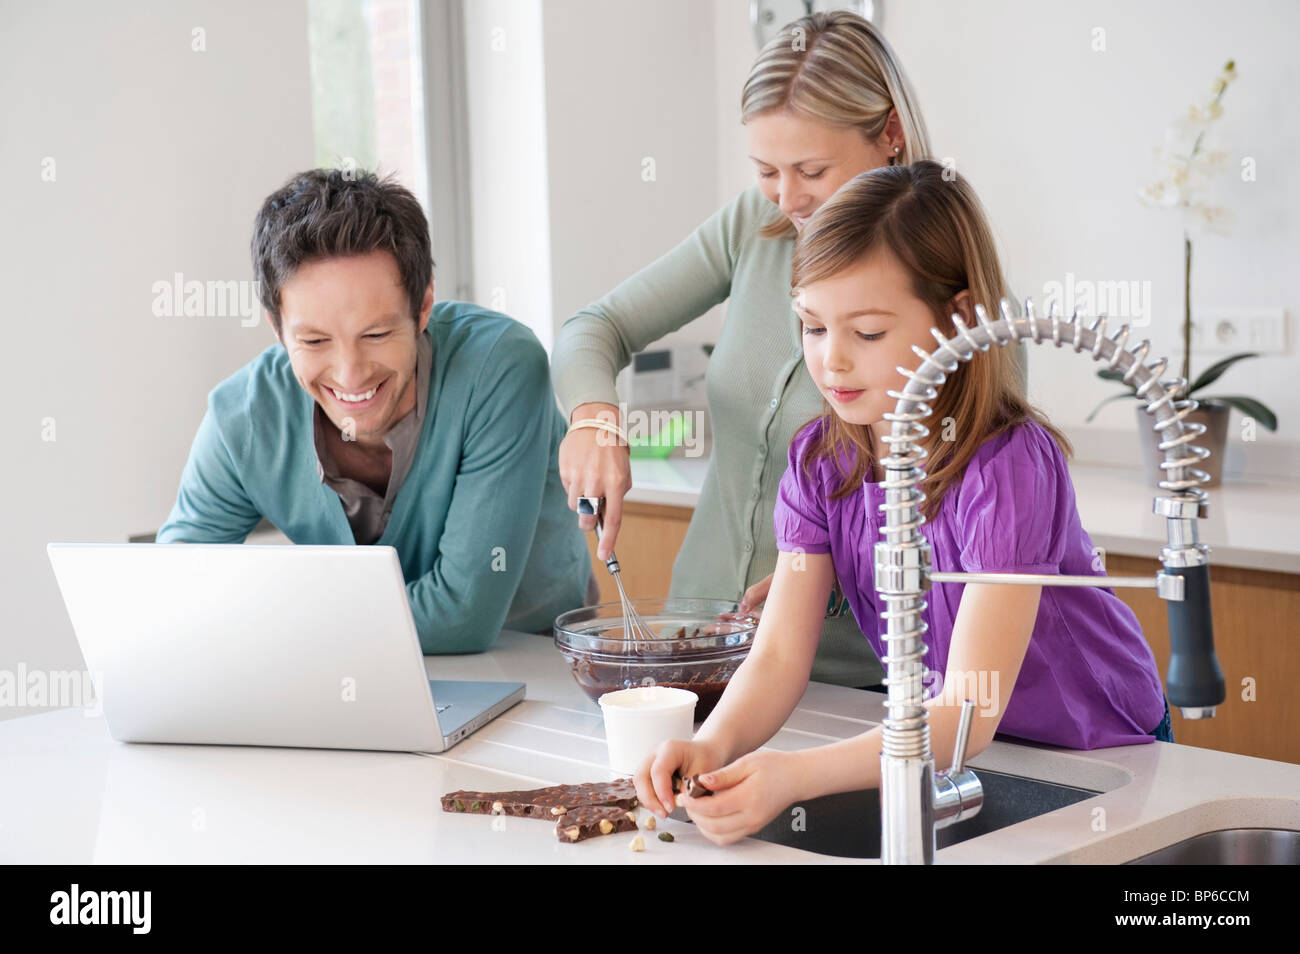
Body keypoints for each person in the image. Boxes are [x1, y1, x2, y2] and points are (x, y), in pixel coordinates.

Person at [635, 161, 1171, 845]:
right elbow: (776, 659)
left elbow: (968, 708)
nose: (831, 362)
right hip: (968, 745)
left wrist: (794, 776)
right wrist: (711, 748)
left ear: (959, 318)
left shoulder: (1008, 467)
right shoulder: (819, 463)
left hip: (1100, 751)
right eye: (813, 327)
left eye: (866, 333)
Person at [551, 11, 937, 691]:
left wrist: (824, 582)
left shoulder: (943, 278)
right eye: (766, 169)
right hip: (695, 650)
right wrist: (594, 421)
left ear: (890, 137)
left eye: (812, 169)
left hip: (849, 681)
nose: (788, 198)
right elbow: (596, 326)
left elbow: (961, 524)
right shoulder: (753, 229)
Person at [156, 168, 592, 652]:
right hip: (357, 675)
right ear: (277, 329)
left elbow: (461, 617)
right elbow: (177, 590)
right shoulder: (241, 416)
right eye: (315, 341)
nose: (350, 374)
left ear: (423, 306)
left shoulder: (500, 367)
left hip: (536, 667)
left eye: (377, 334)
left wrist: (274, 628)